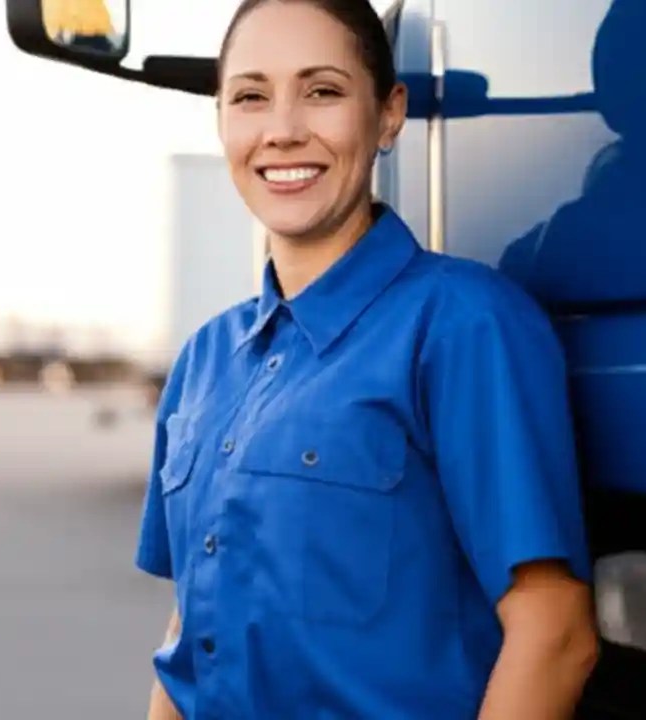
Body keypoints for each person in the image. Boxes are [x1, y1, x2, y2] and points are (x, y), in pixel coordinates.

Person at [134, 1, 598, 718]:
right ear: (223, 121)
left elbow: (554, 633)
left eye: (322, 91)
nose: (283, 131)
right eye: (251, 96)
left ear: (388, 115)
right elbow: (188, 636)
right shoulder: (204, 362)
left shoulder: (465, 325)